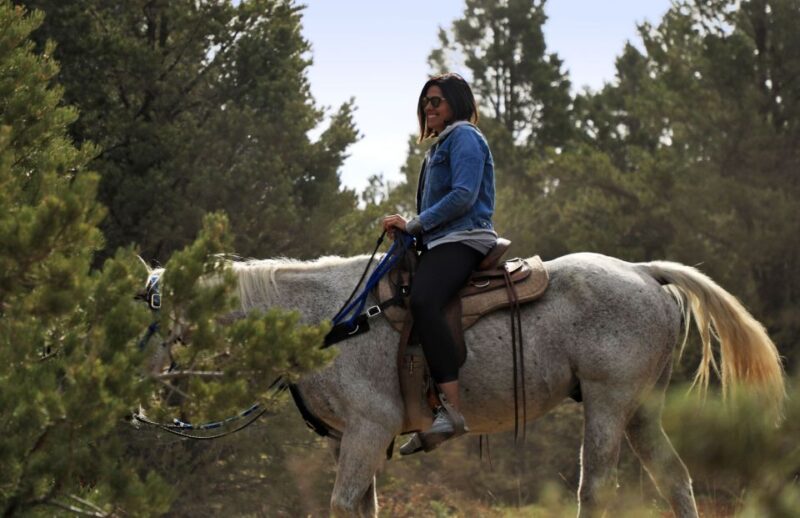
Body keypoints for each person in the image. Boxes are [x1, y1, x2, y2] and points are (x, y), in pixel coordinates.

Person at [382, 73, 496, 453]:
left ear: (456, 104)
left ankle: (451, 409)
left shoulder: (464, 137)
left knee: (424, 302)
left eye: (436, 101)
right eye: (425, 102)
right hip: (441, 239)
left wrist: (415, 223)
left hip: (464, 238)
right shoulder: (440, 146)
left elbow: (464, 196)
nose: (428, 108)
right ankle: (424, 409)